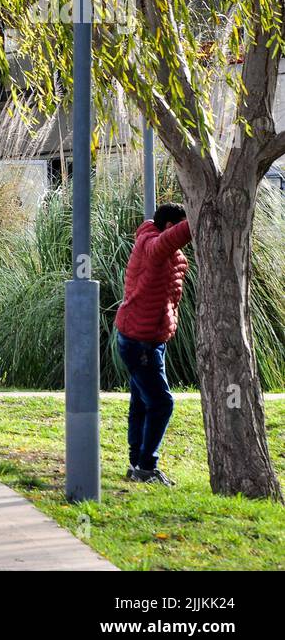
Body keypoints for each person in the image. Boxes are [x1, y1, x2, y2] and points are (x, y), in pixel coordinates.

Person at [114, 203, 190, 486]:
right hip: (140, 340)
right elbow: (173, 238)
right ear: (170, 226)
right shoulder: (153, 246)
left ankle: (137, 465)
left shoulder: (158, 246)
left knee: (142, 403)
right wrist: (200, 213)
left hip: (150, 338)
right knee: (161, 403)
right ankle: (146, 467)